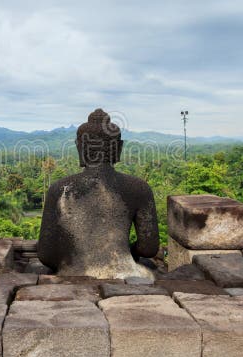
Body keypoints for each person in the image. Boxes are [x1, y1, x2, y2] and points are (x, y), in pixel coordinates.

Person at [38, 109, 159, 279]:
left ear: (81, 148)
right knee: (148, 266)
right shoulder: (139, 188)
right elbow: (148, 248)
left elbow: (46, 254)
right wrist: (129, 251)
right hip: (124, 271)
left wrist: (71, 260)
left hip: (72, 272)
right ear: (118, 149)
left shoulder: (59, 189)